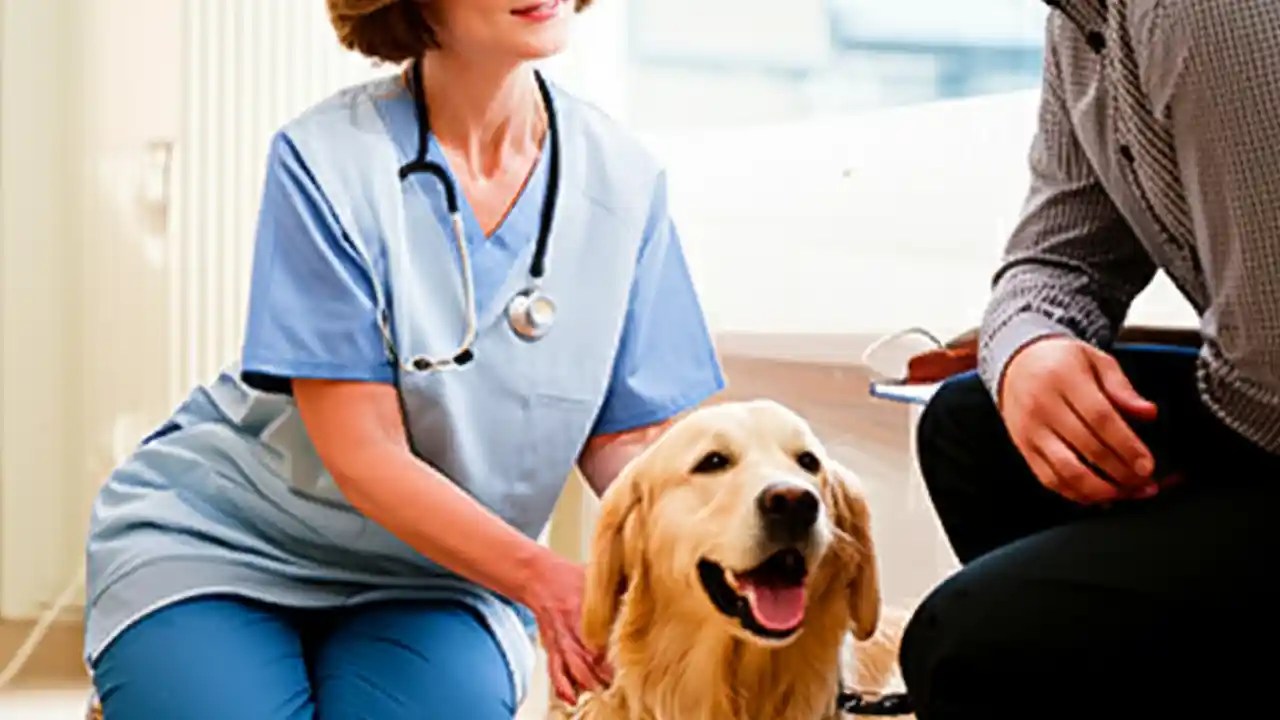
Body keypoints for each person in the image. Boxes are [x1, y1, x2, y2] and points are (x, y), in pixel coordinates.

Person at [82, 1, 726, 717]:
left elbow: (628, 443)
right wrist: (544, 578)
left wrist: (710, 551)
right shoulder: (329, 159)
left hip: (444, 578)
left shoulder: (623, 183)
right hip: (227, 545)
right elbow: (364, 452)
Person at [898, 1, 1280, 717]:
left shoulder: (1211, 16)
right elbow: (1056, 254)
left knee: (969, 642)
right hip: (1263, 403)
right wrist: (1027, 353)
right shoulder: (1084, 19)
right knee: (973, 429)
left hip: (1272, 405)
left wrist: (1171, 496)